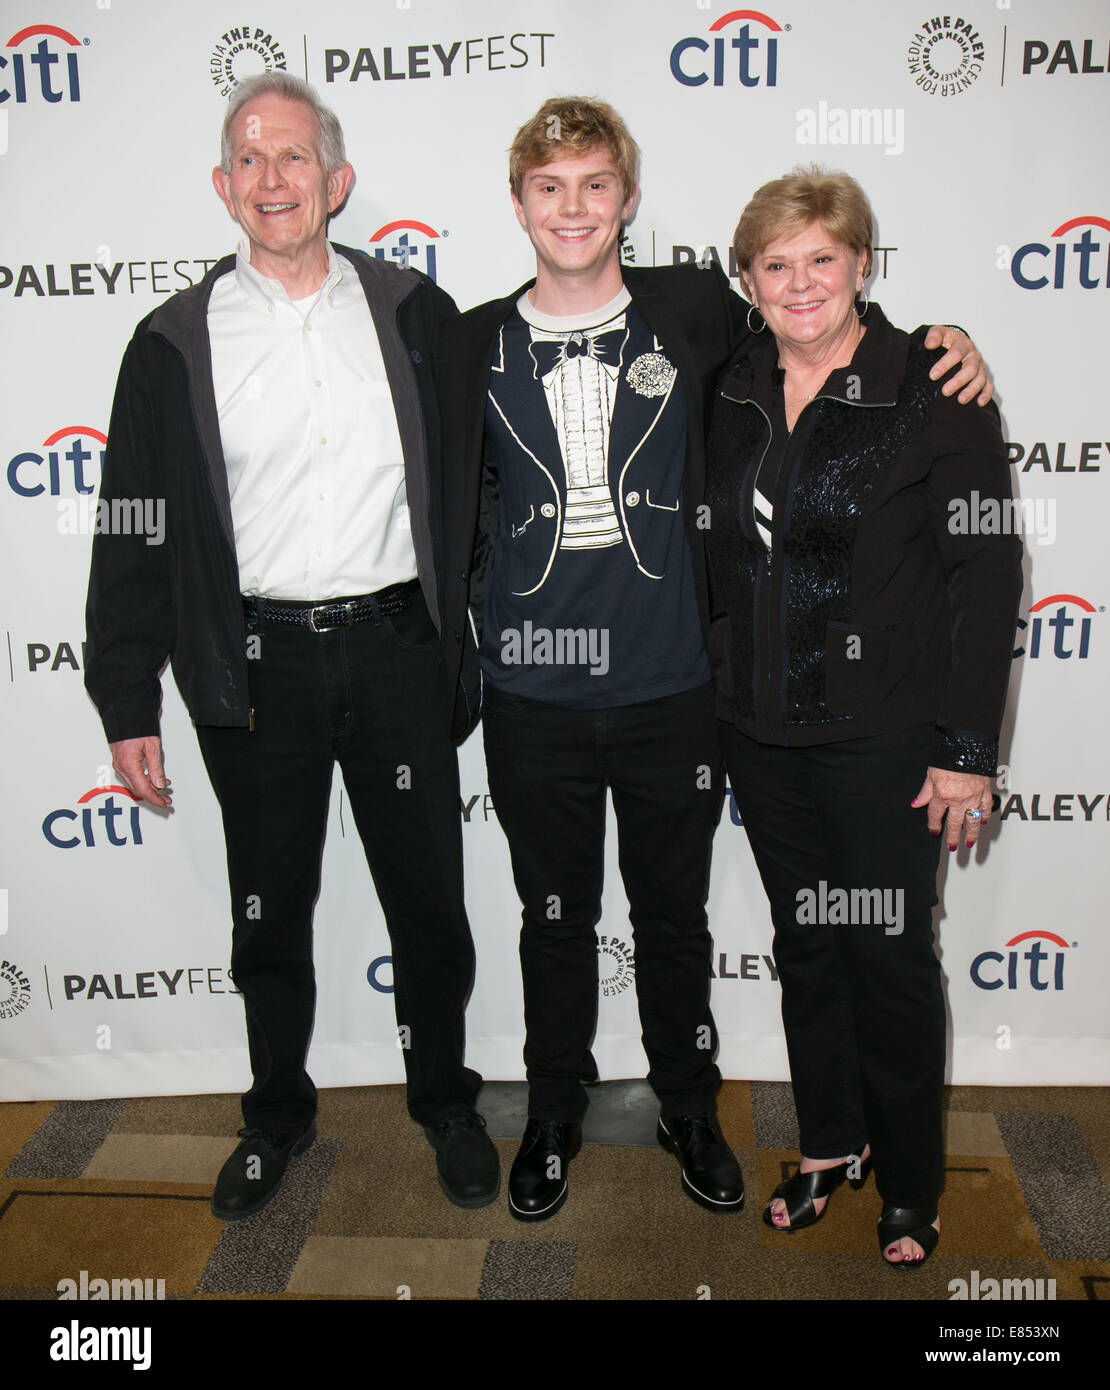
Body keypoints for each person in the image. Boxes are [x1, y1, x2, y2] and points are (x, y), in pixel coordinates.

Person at [436, 98, 990, 1222]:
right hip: (531, 694)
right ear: (517, 204)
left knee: (674, 921)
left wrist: (947, 343)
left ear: (629, 199)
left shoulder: (693, 316)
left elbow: (827, 339)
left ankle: (690, 1105)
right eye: (551, 188)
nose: (574, 208)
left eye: (596, 184)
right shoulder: (467, 341)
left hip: (677, 698)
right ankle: (553, 1111)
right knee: (553, 916)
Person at [84, 73, 498, 1220]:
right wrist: (126, 698)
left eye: (296, 158)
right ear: (224, 188)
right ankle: (275, 1112)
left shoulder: (417, 315)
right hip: (256, 668)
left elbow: (491, 464)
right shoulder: (171, 344)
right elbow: (133, 525)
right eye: (251, 162)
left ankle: (446, 1101)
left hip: (399, 650)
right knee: (267, 909)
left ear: (338, 181)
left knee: (429, 900)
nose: (275, 180)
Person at [704, 165, 1022, 1267]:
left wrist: (969, 755)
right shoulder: (731, 379)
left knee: (887, 956)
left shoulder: (930, 380)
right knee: (810, 952)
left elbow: (987, 575)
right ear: (747, 277)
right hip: (762, 738)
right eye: (776, 264)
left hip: (887, 743)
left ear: (862, 264)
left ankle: (914, 1184)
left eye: (822, 260)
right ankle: (831, 1145)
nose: (800, 284)